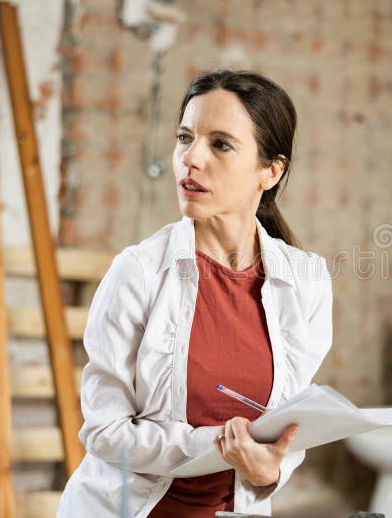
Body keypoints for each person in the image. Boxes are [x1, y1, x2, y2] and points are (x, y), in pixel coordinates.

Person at [58, 69, 333, 517]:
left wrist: (267, 473)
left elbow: (287, 432)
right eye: (185, 138)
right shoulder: (139, 272)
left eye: (220, 144)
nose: (191, 158)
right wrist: (217, 444)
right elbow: (104, 431)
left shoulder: (307, 281)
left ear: (270, 170)